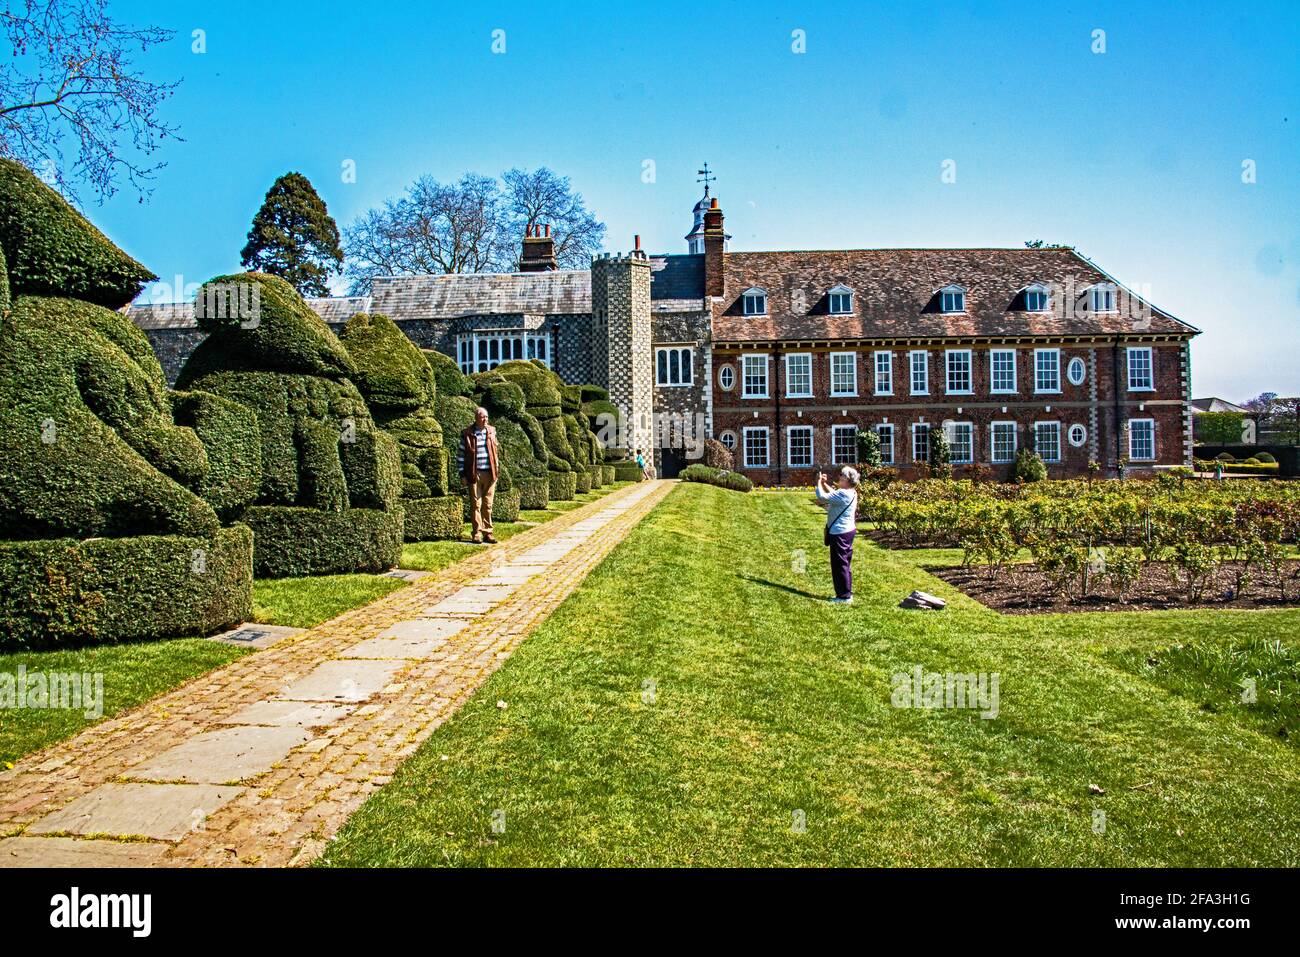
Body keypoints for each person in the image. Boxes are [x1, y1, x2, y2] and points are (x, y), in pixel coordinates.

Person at [815, 466, 860, 604]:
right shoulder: (849, 492)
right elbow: (834, 494)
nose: (839, 476)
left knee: (839, 564)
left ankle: (843, 596)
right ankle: (846, 593)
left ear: (847, 479)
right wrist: (824, 484)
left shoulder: (844, 494)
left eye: (842, 475)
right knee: (844, 563)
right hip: (848, 531)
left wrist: (817, 482)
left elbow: (822, 497)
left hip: (840, 533)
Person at [460, 406, 500, 544]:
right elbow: (461, 456)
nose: (485, 419)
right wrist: (462, 474)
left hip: (490, 473)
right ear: (476, 418)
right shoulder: (467, 433)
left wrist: (497, 469)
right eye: (483, 417)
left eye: (487, 417)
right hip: (474, 473)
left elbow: (496, 451)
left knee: (488, 505)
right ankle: (477, 533)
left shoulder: (492, 431)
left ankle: (488, 533)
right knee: (476, 504)